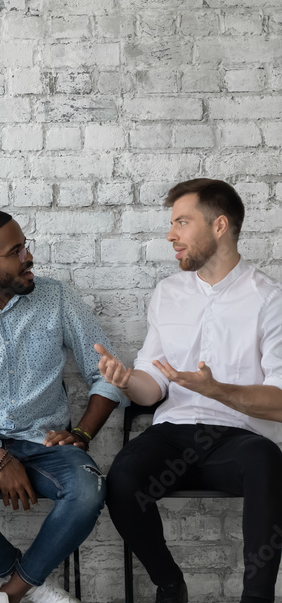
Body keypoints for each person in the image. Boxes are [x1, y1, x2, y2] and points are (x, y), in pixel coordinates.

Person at [0, 210, 127, 603]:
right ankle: (33, 585)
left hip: (46, 442)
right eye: (16, 251)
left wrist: (81, 434)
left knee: (88, 490)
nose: (29, 257)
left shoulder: (57, 298)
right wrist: (0, 459)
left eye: (25, 246)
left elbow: (108, 374)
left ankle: (10, 594)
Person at [99, 179, 282, 603]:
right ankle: (169, 584)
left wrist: (218, 390)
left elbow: (279, 401)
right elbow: (151, 387)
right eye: (171, 223)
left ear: (219, 225)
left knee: (268, 464)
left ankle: (256, 597)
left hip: (239, 438)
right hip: (173, 433)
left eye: (182, 222)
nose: (171, 235)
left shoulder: (269, 299)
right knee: (122, 479)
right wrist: (127, 381)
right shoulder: (168, 293)